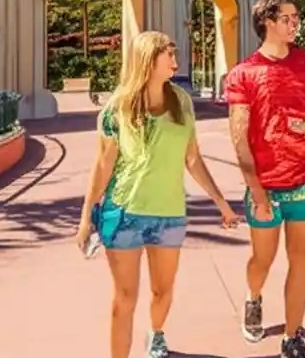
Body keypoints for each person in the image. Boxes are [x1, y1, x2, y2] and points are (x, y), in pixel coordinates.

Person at [75, 30, 241, 358]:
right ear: (149, 60)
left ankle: (157, 334)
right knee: (124, 299)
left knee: (162, 292)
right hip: (124, 213)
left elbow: (192, 158)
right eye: (169, 54)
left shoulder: (180, 101)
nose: (176, 60)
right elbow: (103, 166)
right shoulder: (116, 108)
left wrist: (222, 203)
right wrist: (85, 220)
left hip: (169, 214)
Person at [223, 0, 305, 358]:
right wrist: (257, 193)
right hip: (266, 188)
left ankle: (292, 336)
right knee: (262, 260)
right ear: (268, 22)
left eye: (297, 18)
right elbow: (239, 139)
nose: (295, 24)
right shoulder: (244, 74)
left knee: (301, 257)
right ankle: (253, 297)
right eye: (288, 18)